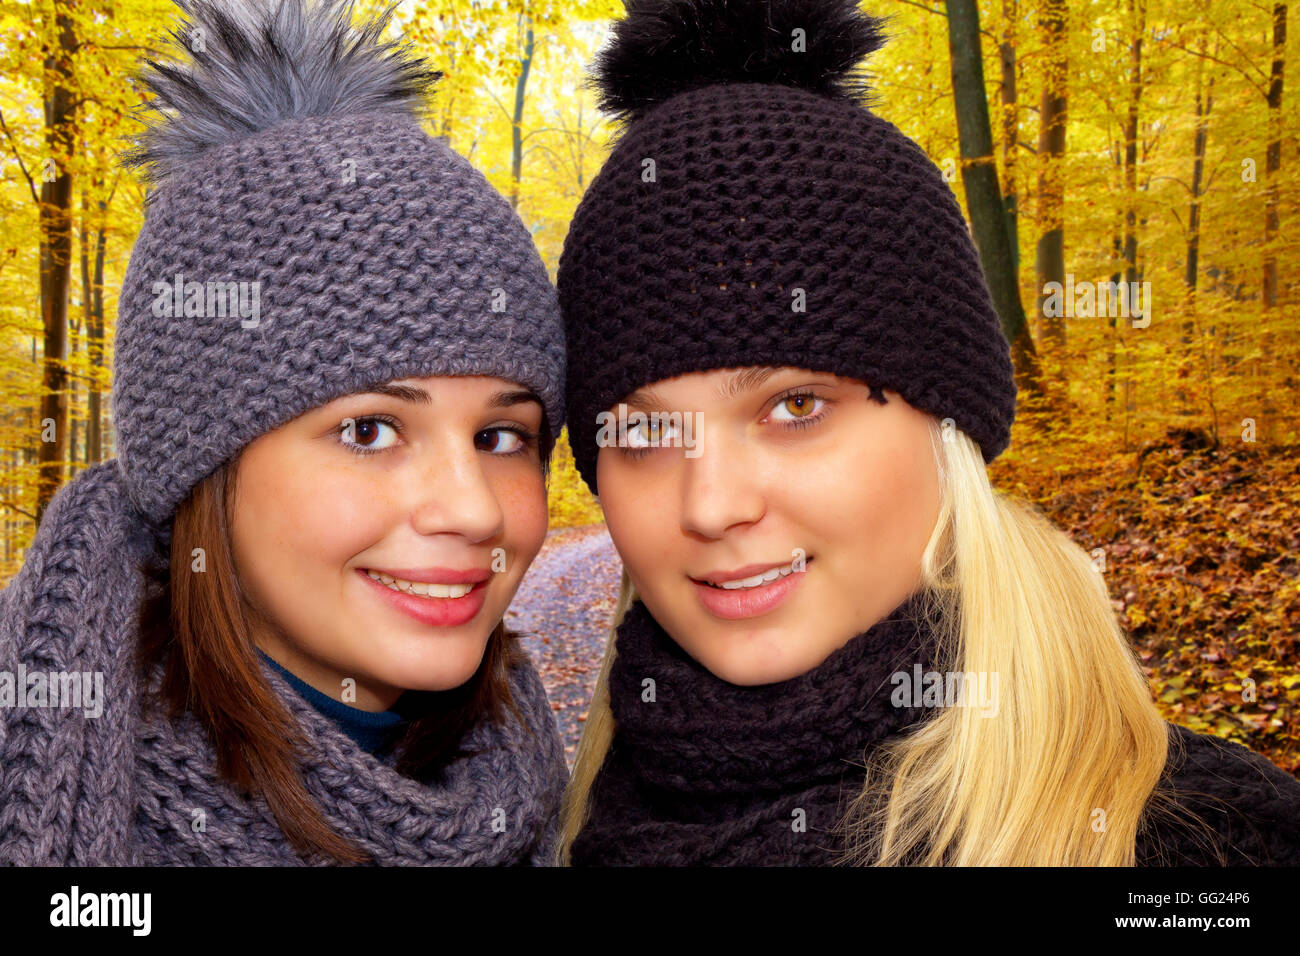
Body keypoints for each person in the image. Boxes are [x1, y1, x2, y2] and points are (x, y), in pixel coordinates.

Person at [553, 0, 1300, 865]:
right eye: (645, 434)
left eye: (795, 407)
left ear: (949, 427)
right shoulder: (576, 823)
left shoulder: (1205, 849)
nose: (712, 505)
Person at [0, 0, 568, 866]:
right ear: (203, 470)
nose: (474, 512)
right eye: (372, 430)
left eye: (501, 437)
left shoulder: (542, 791)